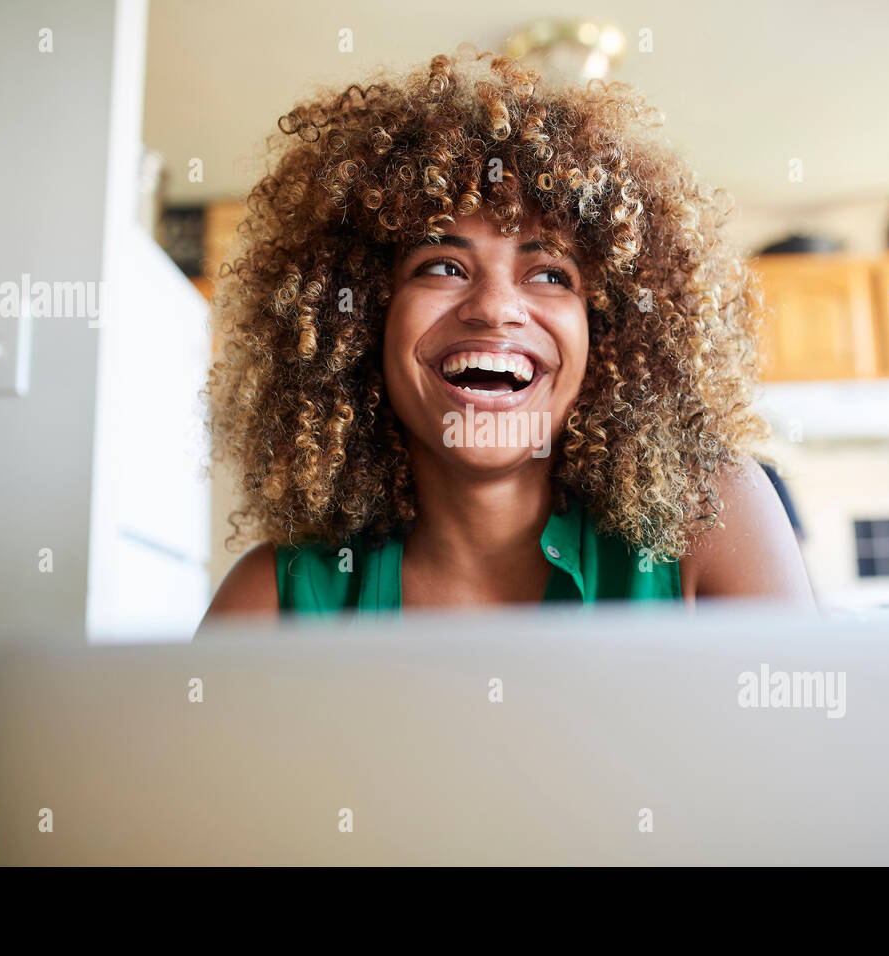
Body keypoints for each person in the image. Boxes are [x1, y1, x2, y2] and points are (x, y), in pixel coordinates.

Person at [198, 46, 814, 624]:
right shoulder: (271, 604)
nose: (495, 309)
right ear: (360, 324)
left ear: (608, 334)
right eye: (442, 267)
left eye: (549, 274)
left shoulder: (714, 522)